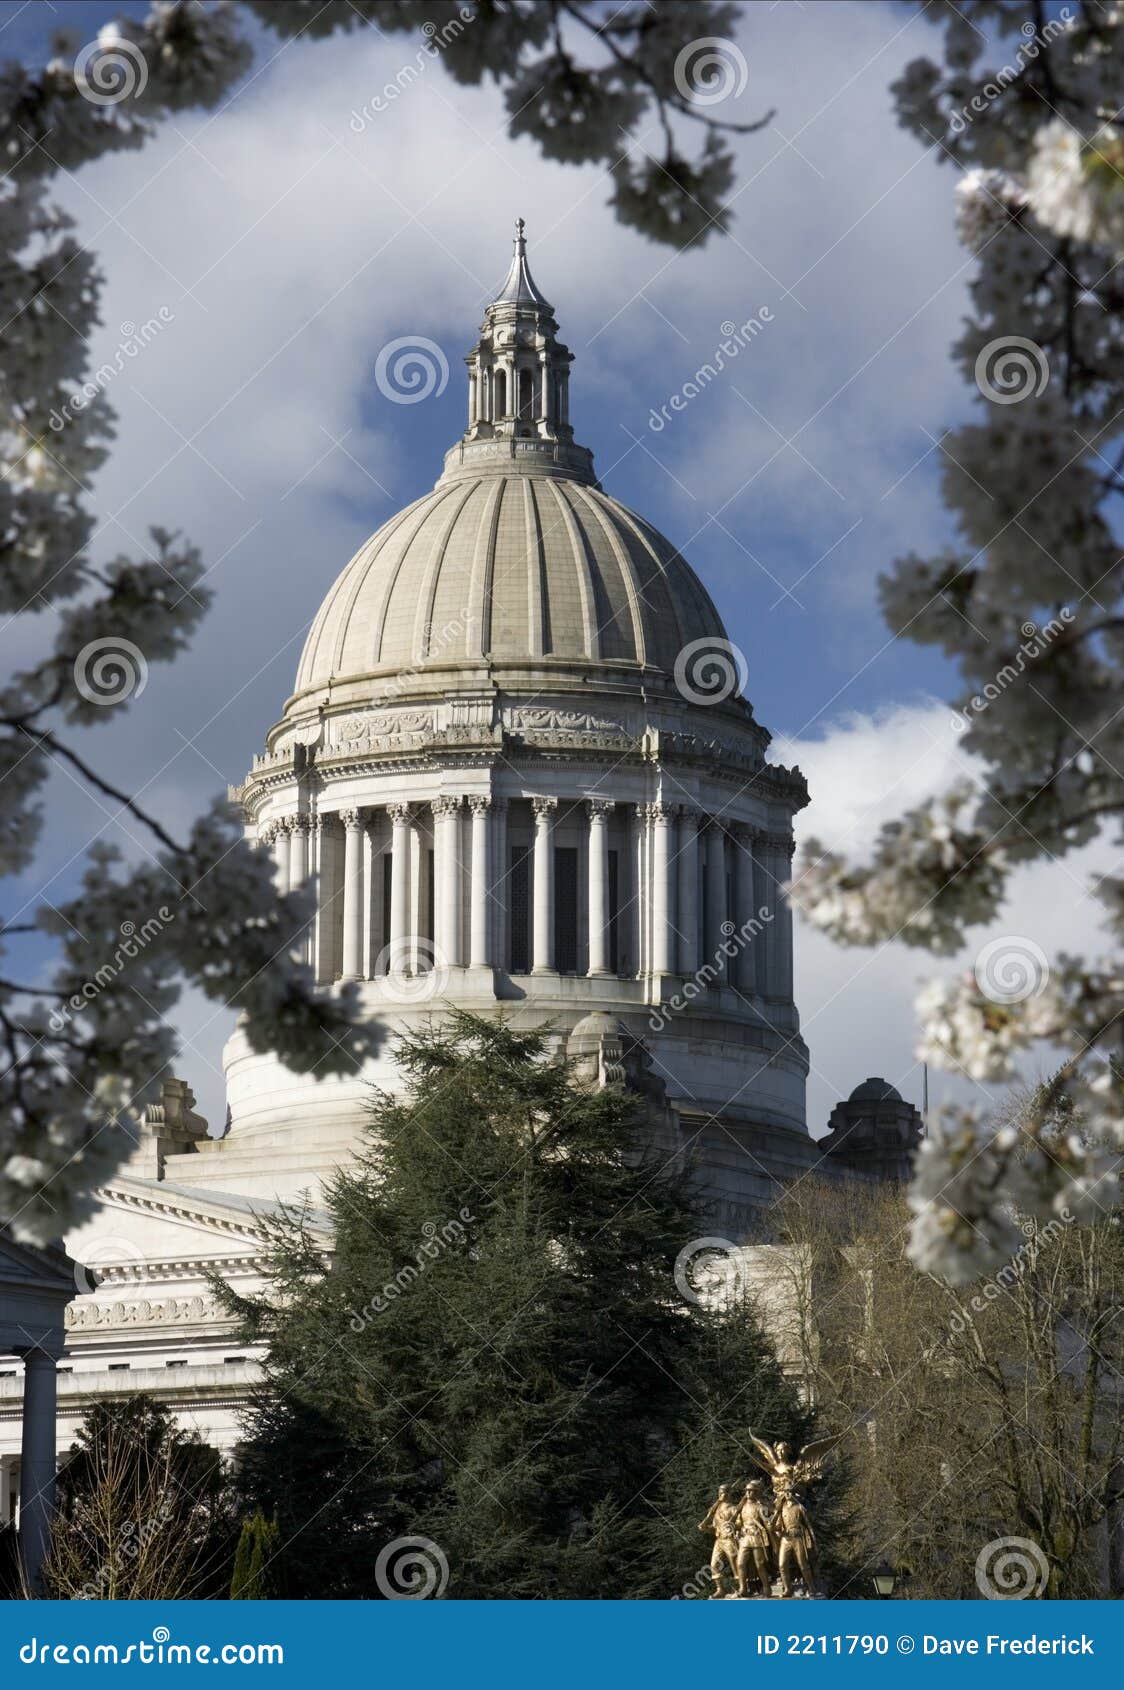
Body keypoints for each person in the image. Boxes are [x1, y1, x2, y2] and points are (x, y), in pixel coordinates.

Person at [698, 1483, 740, 1598]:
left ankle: (742, 1588)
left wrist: (732, 1526)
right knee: (714, 1565)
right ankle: (720, 1589)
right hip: (719, 1540)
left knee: (736, 1565)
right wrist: (706, 1528)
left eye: (723, 1493)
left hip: (730, 1540)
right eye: (720, 1493)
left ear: (728, 1494)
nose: (721, 1495)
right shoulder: (716, 1510)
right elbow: (715, 1527)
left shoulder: (733, 1509)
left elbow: (740, 1524)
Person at [736, 1479, 774, 1598]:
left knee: (760, 1565)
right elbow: (738, 1522)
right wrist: (737, 1529)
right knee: (740, 1563)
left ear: (756, 1492)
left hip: (757, 1538)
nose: (748, 1493)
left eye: (751, 1491)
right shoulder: (741, 1507)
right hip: (745, 1539)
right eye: (747, 1491)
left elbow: (768, 1521)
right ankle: (743, 1588)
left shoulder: (760, 1507)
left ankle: (767, 1589)